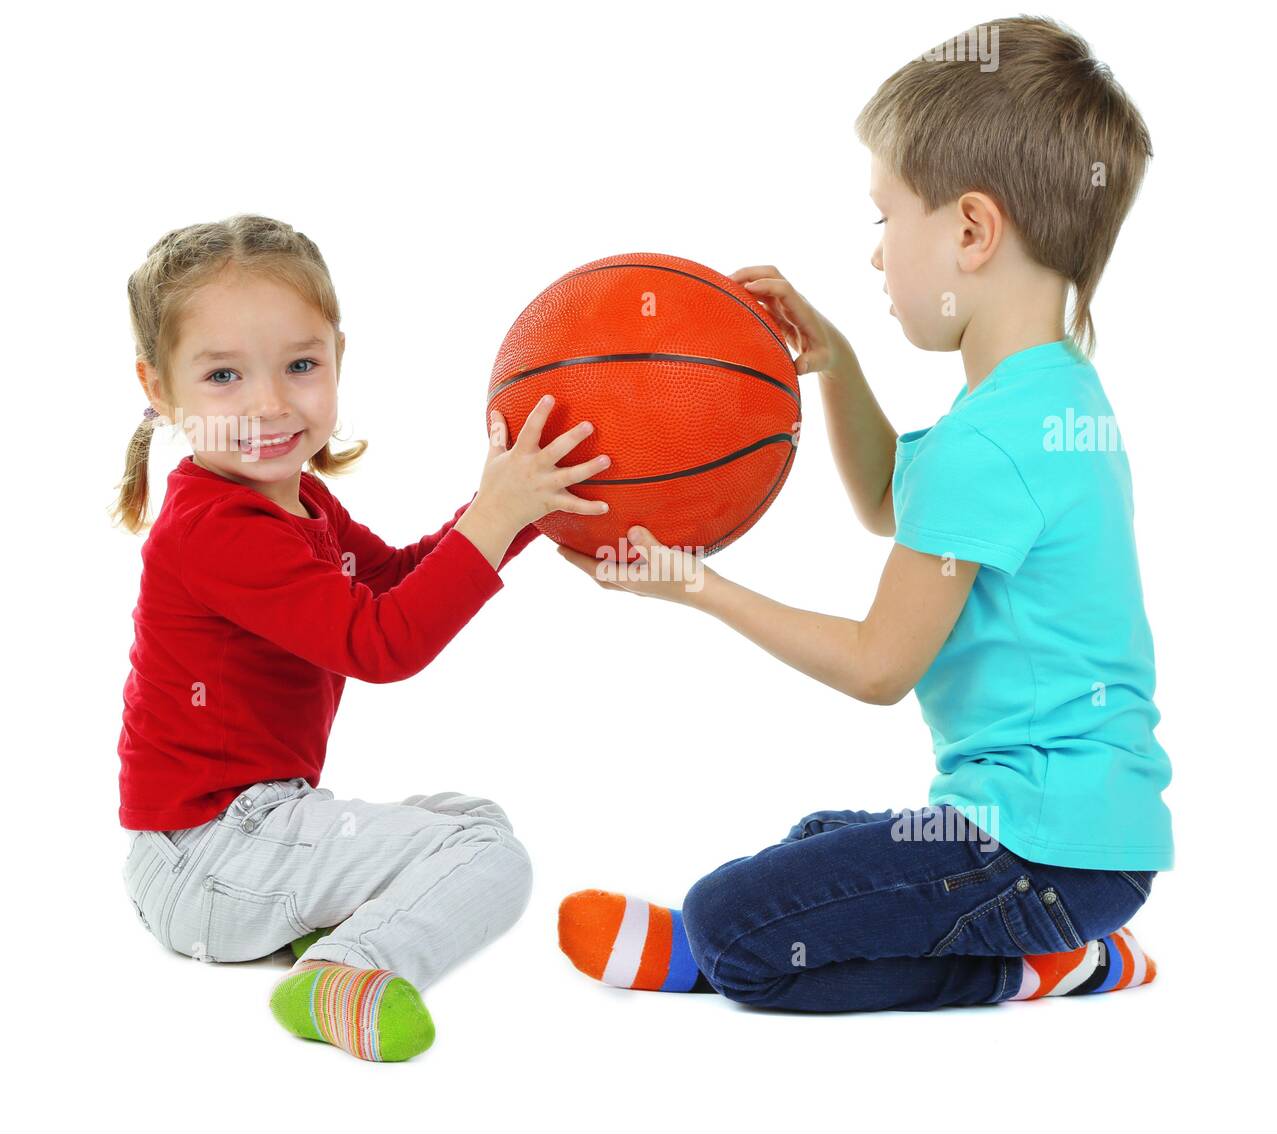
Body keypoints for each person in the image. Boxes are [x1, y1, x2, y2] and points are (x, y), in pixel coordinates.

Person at [558, 16, 1169, 1011]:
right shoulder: (1049, 400)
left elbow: (879, 669)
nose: (877, 257)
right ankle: (1076, 948)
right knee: (814, 842)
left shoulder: (992, 441)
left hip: (1038, 854)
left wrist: (695, 584)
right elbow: (890, 502)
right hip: (1076, 842)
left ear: (970, 231)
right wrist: (835, 363)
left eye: (885, 218)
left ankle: (1035, 964)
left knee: (734, 924)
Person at [115, 213, 609, 1060]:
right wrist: (498, 518)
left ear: (339, 356)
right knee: (494, 859)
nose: (271, 404)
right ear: (159, 390)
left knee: (473, 818)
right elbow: (382, 643)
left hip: (249, 835)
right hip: (206, 857)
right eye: (224, 375)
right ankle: (347, 968)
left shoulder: (295, 498)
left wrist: (522, 508)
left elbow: (393, 579)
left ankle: (325, 934)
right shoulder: (214, 529)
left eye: (301, 365)